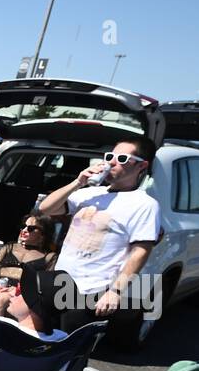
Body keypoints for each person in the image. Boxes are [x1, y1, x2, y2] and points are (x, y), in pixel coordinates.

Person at [36, 137, 160, 340]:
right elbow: (46, 208)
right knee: (39, 341)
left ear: (141, 165)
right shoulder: (91, 193)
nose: (111, 162)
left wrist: (115, 291)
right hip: (58, 282)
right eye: (110, 156)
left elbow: (141, 251)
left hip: (90, 291)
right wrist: (77, 182)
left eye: (121, 158)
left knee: (68, 351)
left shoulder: (144, 204)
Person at [0, 212, 58, 315]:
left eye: (30, 228)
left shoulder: (49, 256)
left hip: (19, 293)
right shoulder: (9, 247)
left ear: (43, 235)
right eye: (23, 227)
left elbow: (44, 286)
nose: (24, 230)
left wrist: (18, 290)